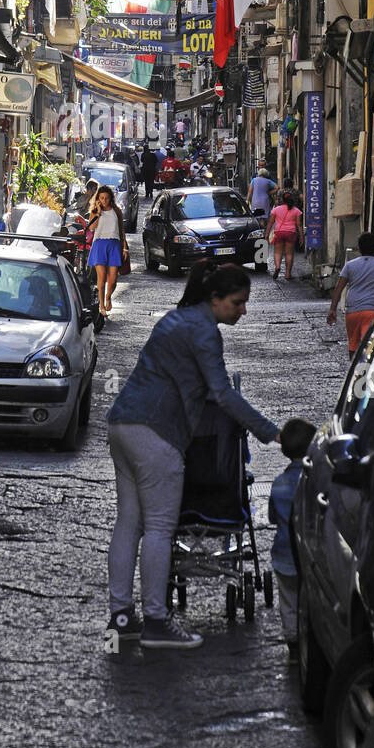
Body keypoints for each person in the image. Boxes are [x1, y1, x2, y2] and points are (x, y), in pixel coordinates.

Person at [106, 260, 280, 650]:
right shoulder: (204, 331)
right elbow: (221, 392)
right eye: (237, 303)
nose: (243, 310)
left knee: (128, 525)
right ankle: (155, 621)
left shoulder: (174, 319)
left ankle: (121, 617)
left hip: (122, 424)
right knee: (159, 529)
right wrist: (270, 430)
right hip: (157, 434)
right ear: (215, 299)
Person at [268, 418, 316, 653]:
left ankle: (292, 638)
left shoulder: (278, 484)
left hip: (284, 553)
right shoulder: (315, 481)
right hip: (310, 552)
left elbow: (272, 517)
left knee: (288, 598)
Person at [326, 232, 374, 356]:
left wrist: (332, 309)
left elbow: (339, 288)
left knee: (353, 346)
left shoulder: (350, 266)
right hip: (372, 311)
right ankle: (369, 373)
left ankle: (354, 372)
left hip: (352, 313)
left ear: (359, 248)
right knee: (370, 346)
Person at [87, 185, 128, 317]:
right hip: (99, 245)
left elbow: (121, 229)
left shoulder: (116, 211)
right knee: (101, 278)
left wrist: (124, 247)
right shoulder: (94, 211)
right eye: (101, 198)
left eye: (106, 198)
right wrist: (98, 212)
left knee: (113, 279)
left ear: (110, 198)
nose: (104, 200)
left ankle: (108, 296)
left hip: (114, 244)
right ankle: (101, 305)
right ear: (98, 198)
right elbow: (92, 228)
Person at [267, 191, 304, 281]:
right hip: (291, 233)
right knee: (289, 254)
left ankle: (278, 267)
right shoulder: (296, 211)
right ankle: (287, 274)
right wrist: (302, 236)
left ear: (282, 200)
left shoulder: (276, 209)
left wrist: (267, 233)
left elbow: (271, 222)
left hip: (279, 232)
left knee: (277, 252)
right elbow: (299, 224)